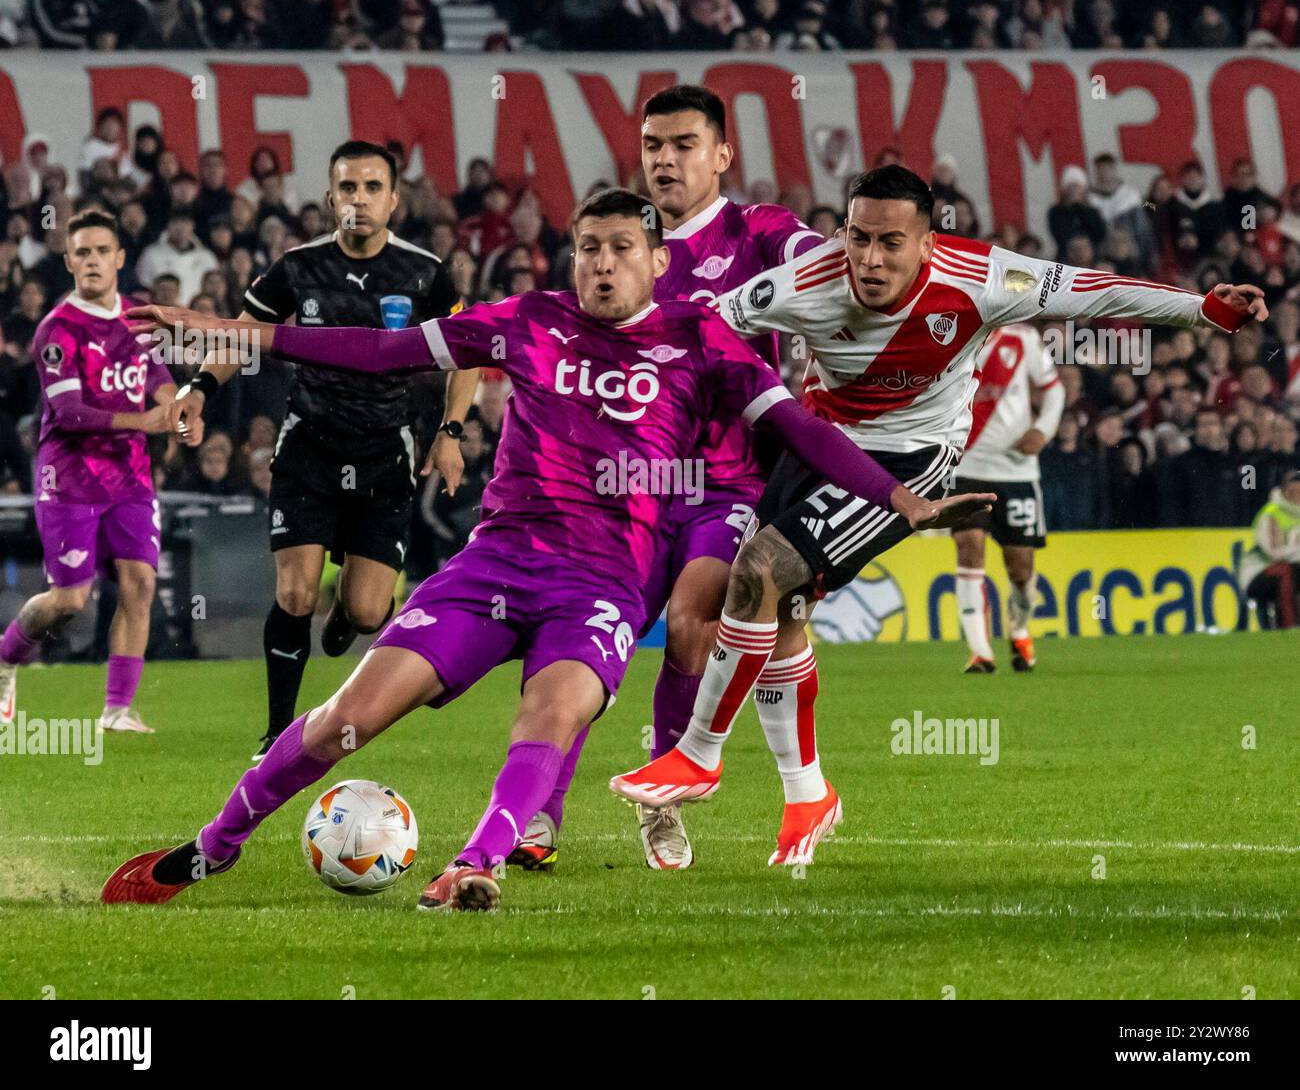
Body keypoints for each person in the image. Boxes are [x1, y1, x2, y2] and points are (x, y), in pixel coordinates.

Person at [101, 187, 989, 912]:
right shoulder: (528, 320)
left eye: (619, 248)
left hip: (601, 585)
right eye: (587, 247)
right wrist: (231, 334)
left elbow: (800, 428)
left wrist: (898, 494)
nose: (601, 263)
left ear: (656, 260)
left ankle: (475, 864)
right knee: (346, 720)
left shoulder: (701, 339)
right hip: (494, 562)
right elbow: (380, 350)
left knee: (553, 715)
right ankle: (211, 848)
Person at [611, 164, 1266, 867]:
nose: (869, 258)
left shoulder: (982, 277)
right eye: (857, 238)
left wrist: (1203, 309)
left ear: (928, 243)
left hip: (912, 462)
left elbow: (1093, 292)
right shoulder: (806, 282)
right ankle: (808, 796)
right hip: (821, 443)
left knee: (760, 572)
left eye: (891, 242)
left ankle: (699, 755)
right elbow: (699, 328)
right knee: (784, 612)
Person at [513, 84, 823, 874]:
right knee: (581, 650)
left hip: (724, 483)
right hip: (619, 486)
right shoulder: (615, 242)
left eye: (685, 144)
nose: (665, 159)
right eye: (653, 144)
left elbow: (824, 264)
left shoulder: (759, 232)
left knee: (692, 622)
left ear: (722, 155)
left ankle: (662, 803)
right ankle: (537, 819)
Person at [167, 140, 465, 760]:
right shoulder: (295, 268)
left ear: (394, 198)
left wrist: (451, 431)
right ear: (331, 199)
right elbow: (240, 336)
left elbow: (468, 351)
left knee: (365, 612)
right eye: (348, 189)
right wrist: (197, 387)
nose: (359, 200)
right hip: (310, 445)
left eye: (372, 188)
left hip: (387, 451)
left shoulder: (426, 273)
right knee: (295, 596)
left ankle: (348, 613)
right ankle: (277, 734)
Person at [0, 210, 194, 727]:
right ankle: (5, 658)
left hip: (129, 478)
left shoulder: (136, 318)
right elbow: (69, 413)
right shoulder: (57, 330)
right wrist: (149, 420)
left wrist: (177, 413)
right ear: (68, 262)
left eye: (100, 250)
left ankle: (117, 709)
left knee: (140, 584)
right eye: (81, 252)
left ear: (119, 258)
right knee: (69, 599)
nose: (91, 260)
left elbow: (158, 379)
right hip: (69, 479)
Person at [949, 322, 1064, 673]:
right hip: (965, 465)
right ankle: (980, 652)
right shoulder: (950, 333)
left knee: (1021, 567)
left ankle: (1020, 629)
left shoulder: (1022, 338)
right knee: (969, 545)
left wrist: (1042, 432)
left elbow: (1054, 391)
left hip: (1016, 469)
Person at [1240, 471, 1300, 629]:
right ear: (1286, 490)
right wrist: (1296, 551)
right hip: (1259, 571)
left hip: (1292, 567)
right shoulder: (1270, 513)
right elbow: (1272, 553)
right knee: (1286, 572)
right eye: (1295, 491)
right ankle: (1289, 625)